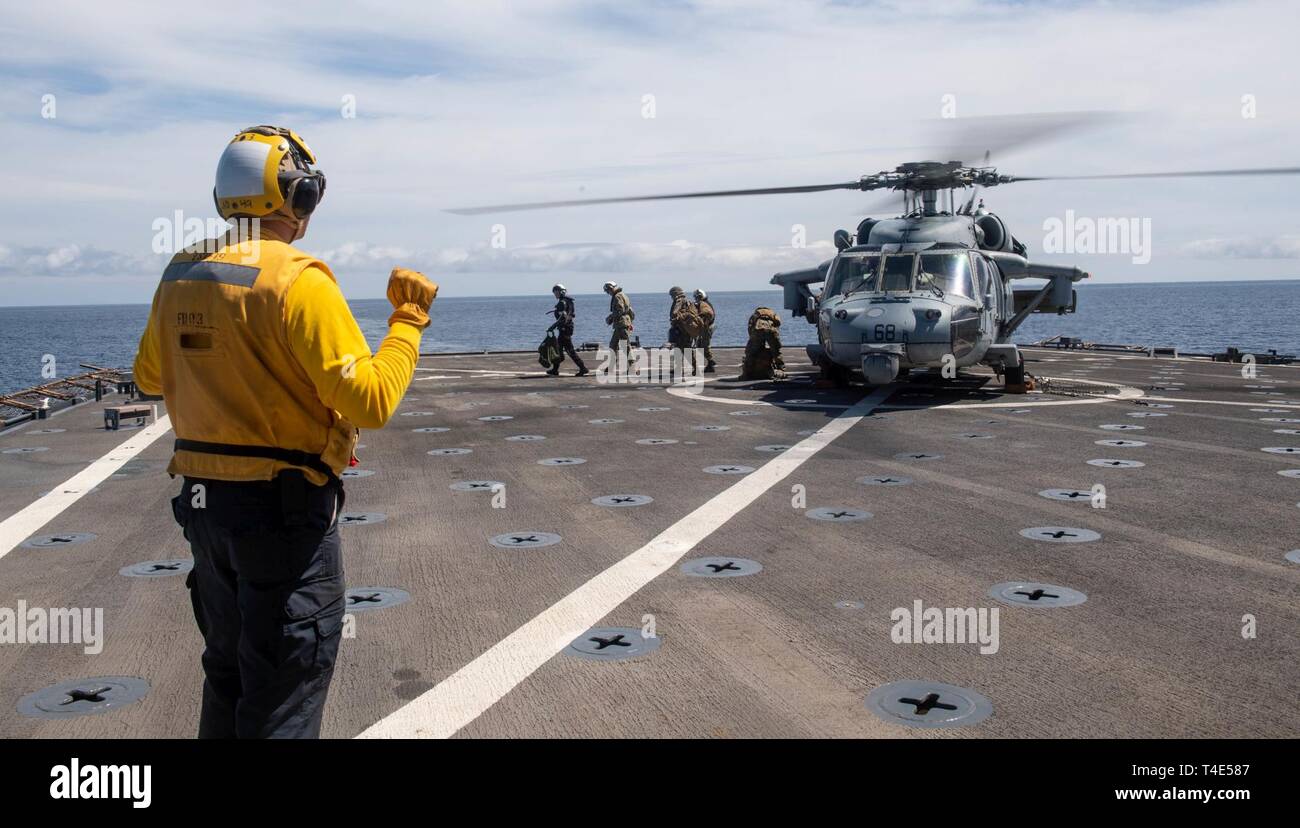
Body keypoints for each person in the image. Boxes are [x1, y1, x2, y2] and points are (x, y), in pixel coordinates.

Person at [133, 125, 437, 739]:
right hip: (281, 515)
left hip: (203, 509)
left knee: (229, 675)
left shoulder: (180, 272)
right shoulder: (299, 279)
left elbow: (148, 378)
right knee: (282, 696)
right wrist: (408, 322)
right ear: (294, 198)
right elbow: (372, 400)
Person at [545, 284, 588, 376]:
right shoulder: (569, 301)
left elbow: (562, 318)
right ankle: (555, 369)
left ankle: (583, 368)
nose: (555, 294)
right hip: (567, 328)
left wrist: (552, 326)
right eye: (554, 292)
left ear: (560, 292)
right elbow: (570, 314)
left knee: (570, 350)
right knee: (558, 349)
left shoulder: (562, 303)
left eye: (556, 292)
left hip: (565, 329)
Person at [741, 306, 786, 380]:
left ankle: (746, 374)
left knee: (750, 353)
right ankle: (781, 369)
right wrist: (775, 341)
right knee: (776, 352)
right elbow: (778, 323)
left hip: (758, 330)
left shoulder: (755, 314)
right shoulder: (773, 313)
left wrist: (754, 341)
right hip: (771, 330)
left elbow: (750, 327)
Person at [603, 281, 634, 353]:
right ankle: (614, 362)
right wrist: (630, 322)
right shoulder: (623, 295)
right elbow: (629, 310)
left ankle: (631, 362)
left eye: (608, 291)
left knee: (625, 345)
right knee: (613, 346)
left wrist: (610, 318)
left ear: (611, 288)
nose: (608, 293)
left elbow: (619, 311)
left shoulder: (617, 297)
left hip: (621, 324)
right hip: (621, 324)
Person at [693, 289, 717, 373]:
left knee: (704, 346)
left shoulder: (704, 304)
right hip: (706, 327)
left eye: (697, 297)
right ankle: (710, 362)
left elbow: (708, 315)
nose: (696, 298)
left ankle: (711, 362)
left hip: (707, 328)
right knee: (700, 346)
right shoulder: (705, 303)